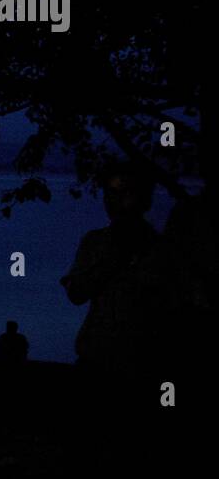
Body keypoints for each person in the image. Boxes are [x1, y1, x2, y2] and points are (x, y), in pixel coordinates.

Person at [61, 161, 161, 375]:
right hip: (95, 357)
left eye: (125, 192)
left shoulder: (159, 248)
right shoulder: (95, 241)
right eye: (111, 193)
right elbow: (76, 293)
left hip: (141, 360)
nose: (115, 200)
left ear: (144, 198)